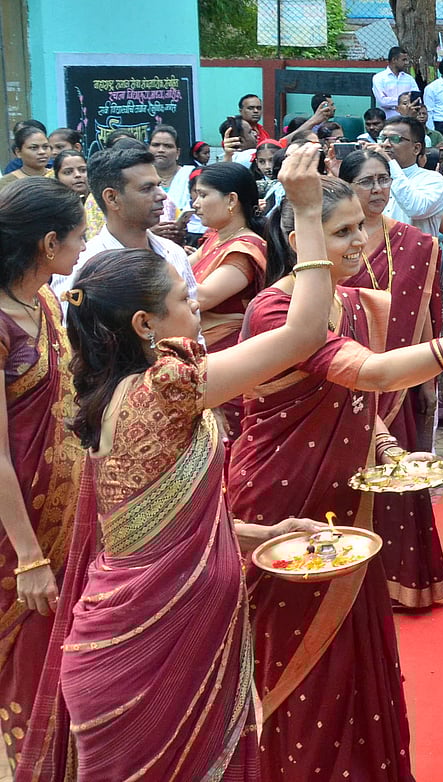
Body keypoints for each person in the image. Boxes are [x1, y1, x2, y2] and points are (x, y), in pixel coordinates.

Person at [17, 145, 334, 781]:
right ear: (144, 324)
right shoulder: (166, 389)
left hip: (127, 643)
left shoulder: (104, 390)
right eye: (186, 304)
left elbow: (158, 528)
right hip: (150, 650)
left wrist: (259, 535)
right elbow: (304, 334)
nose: (199, 313)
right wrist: (306, 211)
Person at [227, 170, 443, 782]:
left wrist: (381, 443)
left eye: (359, 226)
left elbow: (353, 400)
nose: (359, 240)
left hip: (346, 499)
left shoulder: (348, 302)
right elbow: (370, 376)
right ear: (301, 240)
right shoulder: (277, 310)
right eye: (342, 230)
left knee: (352, 653)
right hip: (282, 501)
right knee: (295, 660)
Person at [336, 148, 443, 604]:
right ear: (347, 186)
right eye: (367, 182)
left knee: (398, 477)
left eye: (384, 180)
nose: (379, 190)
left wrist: (426, 379)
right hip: (344, 377)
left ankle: (401, 584)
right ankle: (351, 579)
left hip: (398, 382)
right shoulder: (333, 244)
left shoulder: (415, 243)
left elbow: (422, 314)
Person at [0, 178, 87, 772]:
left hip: (73, 519)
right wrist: (29, 557)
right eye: (79, 238)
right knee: (25, 664)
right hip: (17, 536)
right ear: (48, 243)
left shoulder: (49, 304)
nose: (84, 249)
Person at [53, 146, 200, 305]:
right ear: (112, 198)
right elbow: (66, 327)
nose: (162, 195)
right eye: (147, 188)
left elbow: (193, 321)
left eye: (158, 185)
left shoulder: (173, 254)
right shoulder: (79, 267)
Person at [189, 161, 268, 363]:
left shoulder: (245, 249)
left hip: (225, 354)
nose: (195, 203)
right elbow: (181, 265)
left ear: (232, 200)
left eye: (203, 195)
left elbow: (203, 298)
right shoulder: (217, 237)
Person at [379, 117, 443, 237]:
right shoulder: (374, 179)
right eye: (382, 138)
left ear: (416, 148)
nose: (385, 144)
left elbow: (416, 209)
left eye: (394, 139)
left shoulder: (432, 179)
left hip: (415, 254)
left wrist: (390, 163)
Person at [148, 124, 198, 244]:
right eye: (155, 145)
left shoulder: (191, 175)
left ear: (178, 152)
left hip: (190, 239)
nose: (161, 150)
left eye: (168, 146)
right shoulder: (140, 179)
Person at [373, 47, 419, 121]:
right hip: (388, 119)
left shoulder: (409, 79)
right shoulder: (379, 78)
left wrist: (396, 103)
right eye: (403, 60)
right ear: (394, 60)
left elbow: (416, 99)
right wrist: (403, 103)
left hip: (407, 120)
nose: (406, 63)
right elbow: (382, 101)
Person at [0, 127, 50, 192]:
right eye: (33, 148)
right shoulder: (6, 184)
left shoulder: (58, 176)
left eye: (45, 147)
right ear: (18, 152)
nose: (42, 152)